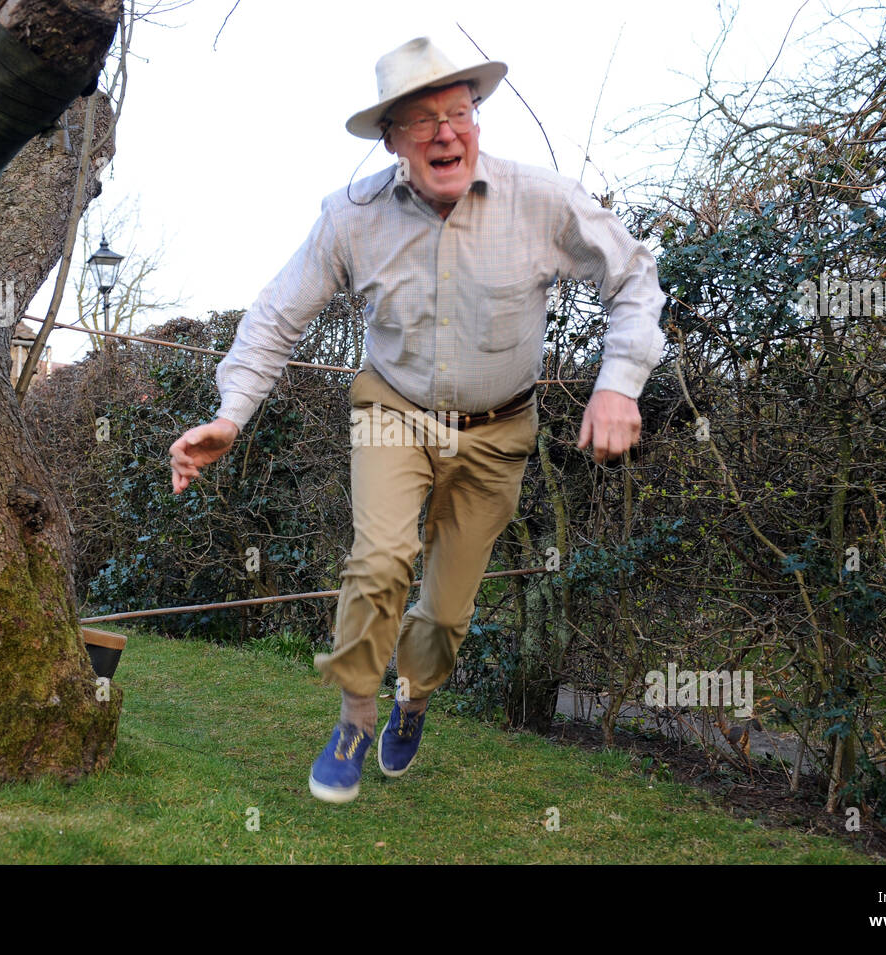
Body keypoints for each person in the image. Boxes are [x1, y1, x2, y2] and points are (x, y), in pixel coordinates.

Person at [169, 36, 667, 804]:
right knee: (380, 560)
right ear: (393, 139)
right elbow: (275, 316)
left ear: (477, 121)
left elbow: (633, 272)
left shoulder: (542, 202)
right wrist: (230, 414)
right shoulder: (351, 218)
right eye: (424, 120)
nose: (446, 132)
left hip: (499, 431)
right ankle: (355, 716)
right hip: (393, 410)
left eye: (460, 113)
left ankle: (415, 699)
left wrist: (620, 383)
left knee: (447, 607)